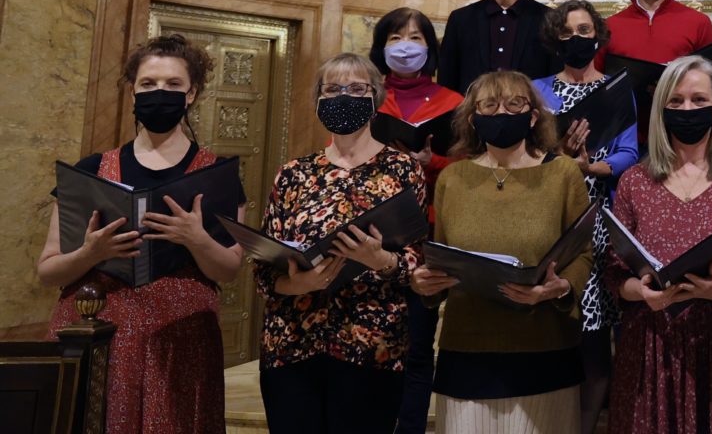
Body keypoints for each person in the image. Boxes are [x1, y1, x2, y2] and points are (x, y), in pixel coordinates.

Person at [37, 34, 246, 434]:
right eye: (148, 83)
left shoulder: (216, 175)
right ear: (132, 90)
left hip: (181, 339)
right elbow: (48, 271)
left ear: (191, 93)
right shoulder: (91, 170)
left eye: (173, 84)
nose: (159, 92)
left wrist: (196, 238)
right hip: (99, 333)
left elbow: (229, 271)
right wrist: (90, 253)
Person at [408, 72, 593, 432]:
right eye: (490, 106)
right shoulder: (453, 179)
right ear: (473, 119)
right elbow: (442, 259)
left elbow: (584, 252)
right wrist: (425, 282)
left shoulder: (563, 173)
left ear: (533, 116)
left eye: (514, 104)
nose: (502, 113)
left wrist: (561, 287)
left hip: (545, 346)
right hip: (468, 347)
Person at [605, 56, 712, 434]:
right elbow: (615, 269)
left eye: (699, 100)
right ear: (661, 109)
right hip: (653, 347)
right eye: (677, 101)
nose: (687, 109)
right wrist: (642, 292)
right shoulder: (634, 182)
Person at [256, 53, 427, 433]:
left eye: (356, 89)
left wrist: (380, 259)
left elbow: (417, 263)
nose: (343, 97)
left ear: (375, 98)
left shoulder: (403, 170)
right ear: (318, 99)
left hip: (372, 346)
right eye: (332, 89)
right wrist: (300, 283)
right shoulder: (293, 174)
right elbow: (263, 270)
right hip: (291, 345)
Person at [532, 0, 638, 434]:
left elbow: (631, 153)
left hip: (600, 218)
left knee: (595, 344)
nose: (576, 39)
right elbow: (524, 151)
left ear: (598, 36)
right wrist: (558, 157)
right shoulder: (537, 90)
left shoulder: (616, 89)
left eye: (584, 31)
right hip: (548, 218)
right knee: (553, 336)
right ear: (555, 40)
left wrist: (591, 166)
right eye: (566, 33)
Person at [369, 7, 462, 434]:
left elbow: (470, 168)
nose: (405, 47)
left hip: (427, 233)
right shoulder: (365, 98)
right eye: (395, 38)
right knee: (371, 343)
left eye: (415, 38)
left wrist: (431, 162)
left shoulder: (454, 102)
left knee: (419, 346)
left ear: (430, 47)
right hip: (374, 234)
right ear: (381, 47)